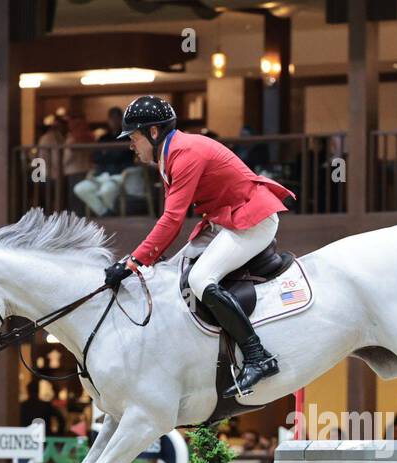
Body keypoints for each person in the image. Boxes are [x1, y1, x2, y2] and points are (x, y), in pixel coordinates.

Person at [102, 95, 294, 397]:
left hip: (251, 220)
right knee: (172, 271)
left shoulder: (185, 152)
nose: (130, 146)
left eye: (134, 137)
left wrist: (133, 262)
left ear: (153, 133)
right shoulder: (169, 154)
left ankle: (258, 356)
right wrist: (144, 260)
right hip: (224, 220)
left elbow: (173, 219)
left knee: (200, 279)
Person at [74, 107, 130, 216]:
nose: (114, 121)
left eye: (116, 118)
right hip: (100, 175)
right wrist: (110, 154)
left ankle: (108, 217)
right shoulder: (103, 138)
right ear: (108, 120)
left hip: (118, 175)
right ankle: (106, 213)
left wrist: (106, 154)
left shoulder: (128, 137)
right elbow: (96, 157)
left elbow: (122, 156)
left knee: (106, 191)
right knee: (79, 188)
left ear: (121, 119)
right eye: (111, 118)